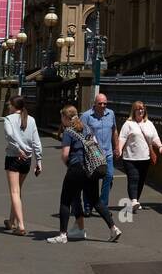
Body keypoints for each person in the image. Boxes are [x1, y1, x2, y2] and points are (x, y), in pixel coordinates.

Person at [48, 104, 122, 245]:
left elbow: (65, 155)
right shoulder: (86, 128)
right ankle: (113, 228)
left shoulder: (69, 132)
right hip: (91, 169)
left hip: (76, 168)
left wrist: (69, 166)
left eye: (62, 117)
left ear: (65, 117)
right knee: (95, 200)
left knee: (65, 200)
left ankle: (63, 234)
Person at [118, 100, 162, 213]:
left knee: (141, 180)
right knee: (133, 178)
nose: (141, 111)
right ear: (134, 111)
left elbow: (155, 137)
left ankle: (135, 200)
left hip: (145, 158)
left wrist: (160, 147)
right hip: (130, 158)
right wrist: (120, 149)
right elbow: (122, 138)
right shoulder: (128, 124)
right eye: (138, 109)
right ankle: (134, 200)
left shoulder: (149, 123)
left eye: (142, 109)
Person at [3, 95, 42, 236]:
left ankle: (20, 225)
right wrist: (39, 161)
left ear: (14, 106)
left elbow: (9, 135)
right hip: (27, 158)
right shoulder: (31, 119)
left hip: (14, 157)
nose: (8, 107)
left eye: (9, 105)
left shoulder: (9, 119)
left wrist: (18, 148)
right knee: (18, 191)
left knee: (14, 191)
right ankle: (11, 220)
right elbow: (36, 142)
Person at [80, 92, 120, 214]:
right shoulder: (86, 116)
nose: (103, 105)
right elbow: (81, 135)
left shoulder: (111, 113)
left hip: (107, 152)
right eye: (100, 103)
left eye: (105, 103)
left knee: (109, 176)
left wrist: (117, 146)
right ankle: (87, 206)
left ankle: (102, 205)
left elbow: (114, 130)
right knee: (91, 179)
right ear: (95, 103)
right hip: (93, 154)